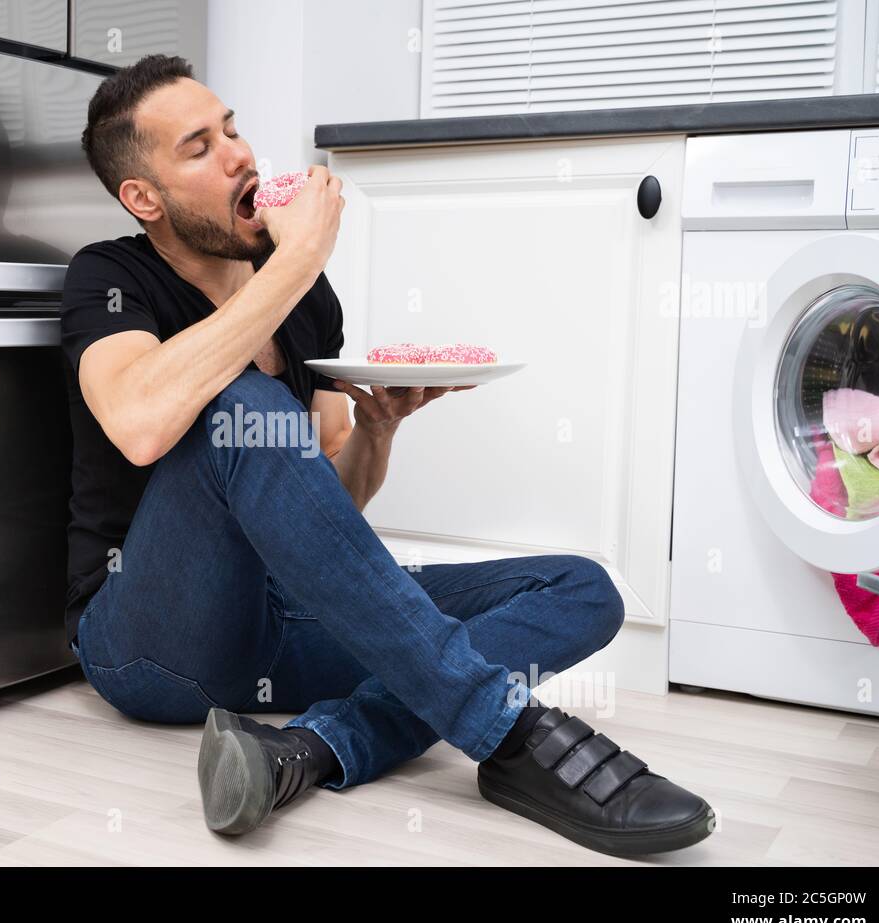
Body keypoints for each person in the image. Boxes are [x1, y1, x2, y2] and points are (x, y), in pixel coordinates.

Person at [60, 54, 714, 856]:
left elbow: (325, 507)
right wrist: (297, 262)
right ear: (143, 197)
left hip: (273, 627)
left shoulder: (301, 298)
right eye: (198, 147)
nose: (239, 153)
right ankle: (506, 732)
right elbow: (138, 422)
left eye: (232, 129)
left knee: (582, 590)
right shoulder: (109, 277)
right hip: (148, 643)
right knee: (243, 406)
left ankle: (312, 749)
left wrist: (377, 431)